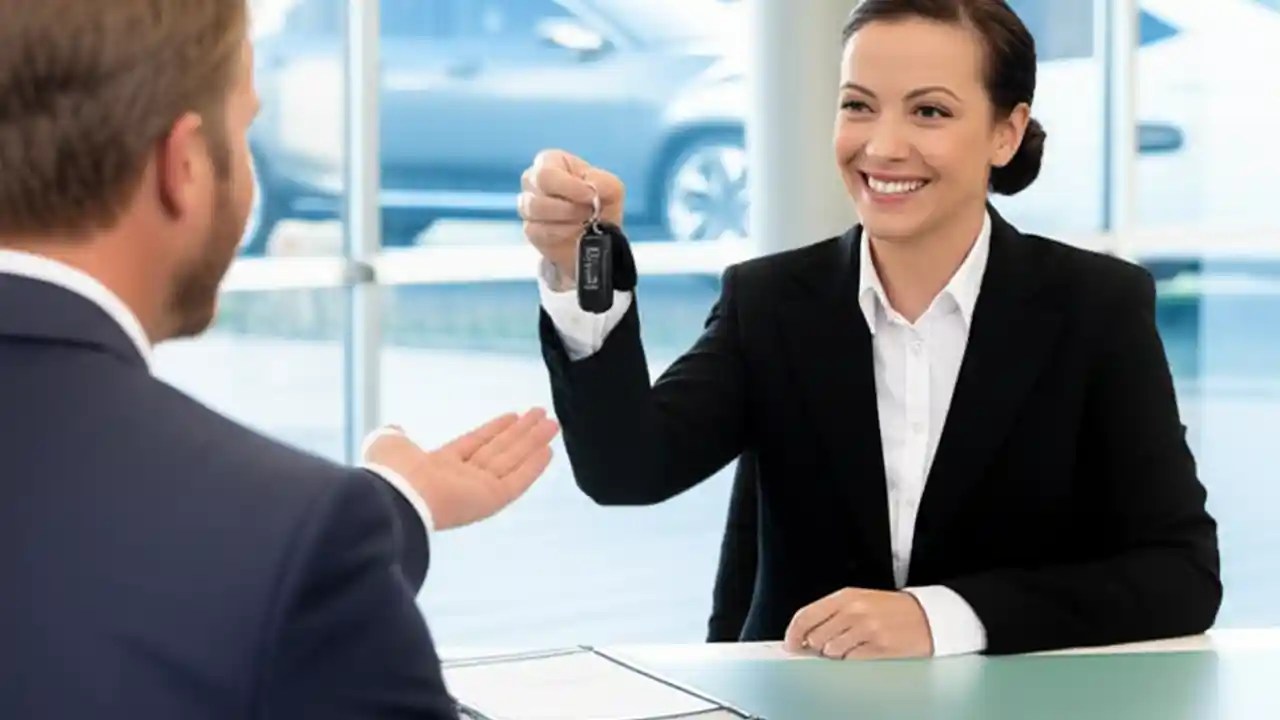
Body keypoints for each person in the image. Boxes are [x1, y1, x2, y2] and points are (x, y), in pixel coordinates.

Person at [518, 0, 1222, 659]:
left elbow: (1181, 575)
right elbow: (626, 470)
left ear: (1004, 133)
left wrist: (938, 616)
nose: (882, 146)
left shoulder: (1096, 307)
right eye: (858, 106)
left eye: (930, 112)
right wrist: (579, 265)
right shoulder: (768, 302)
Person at [0, 1, 558, 717]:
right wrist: (328, 535)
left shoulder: (288, 532)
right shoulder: (295, 532)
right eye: (245, 126)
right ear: (186, 165)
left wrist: (398, 506)